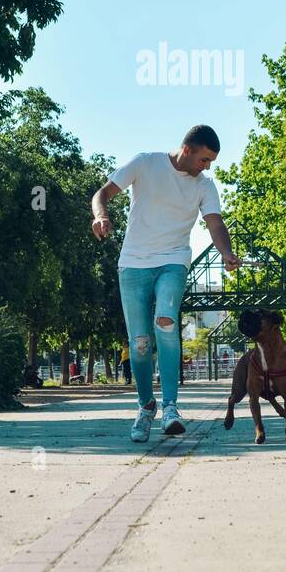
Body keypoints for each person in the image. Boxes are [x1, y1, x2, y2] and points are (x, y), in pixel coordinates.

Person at [91, 125, 240, 442]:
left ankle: (171, 408)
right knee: (140, 343)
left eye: (210, 162)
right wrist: (101, 215)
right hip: (133, 263)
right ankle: (146, 406)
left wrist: (226, 252)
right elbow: (101, 194)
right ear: (187, 150)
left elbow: (215, 223)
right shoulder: (145, 163)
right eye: (204, 159)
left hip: (173, 260)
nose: (206, 167)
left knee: (166, 323)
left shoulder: (205, 186)